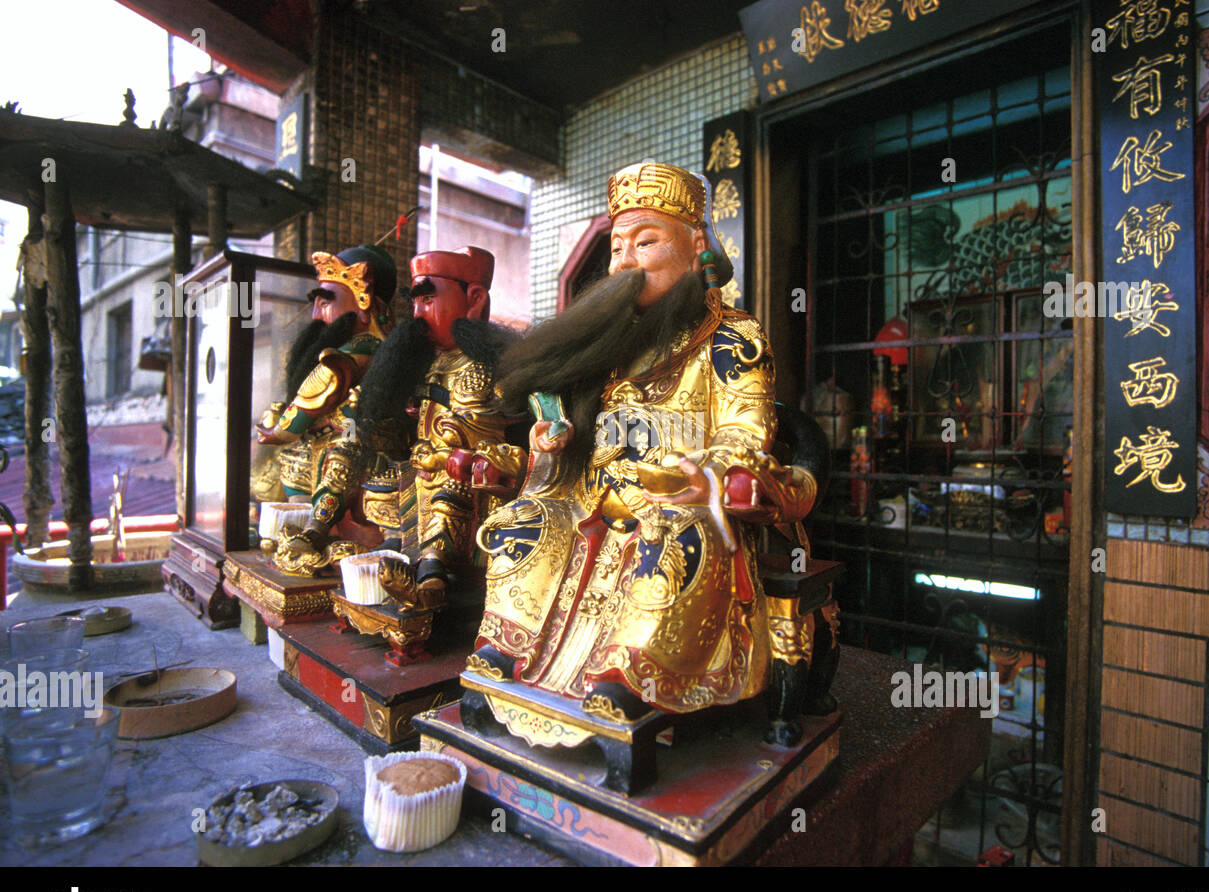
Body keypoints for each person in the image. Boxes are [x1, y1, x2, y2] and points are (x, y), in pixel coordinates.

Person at [467, 161, 816, 722]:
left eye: (646, 242)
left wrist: (699, 472)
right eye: (617, 247)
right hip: (593, 500)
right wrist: (550, 447)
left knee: (673, 530)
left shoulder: (733, 338)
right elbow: (581, 437)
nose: (625, 261)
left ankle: (631, 672)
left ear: (696, 244)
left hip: (684, 503)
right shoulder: (610, 343)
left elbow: (745, 435)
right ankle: (506, 648)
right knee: (529, 517)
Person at [351, 246, 526, 609]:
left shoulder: (496, 366)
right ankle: (399, 550)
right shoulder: (430, 364)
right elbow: (409, 429)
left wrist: (456, 457)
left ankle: (431, 579)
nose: (417, 314)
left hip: (470, 480)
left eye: (428, 300)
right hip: (420, 472)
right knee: (382, 483)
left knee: (450, 496)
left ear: (474, 299)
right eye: (415, 304)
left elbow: (511, 432)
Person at [255, 244, 408, 571]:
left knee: (344, 451)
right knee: (297, 456)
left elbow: (326, 383)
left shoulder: (363, 347)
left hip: (360, 442)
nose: (316, 315)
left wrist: (283, 429)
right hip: (320, 437)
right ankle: (296, 521)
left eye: (327, 302)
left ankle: (316, 530)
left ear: (363, 302)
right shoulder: (339, 347)